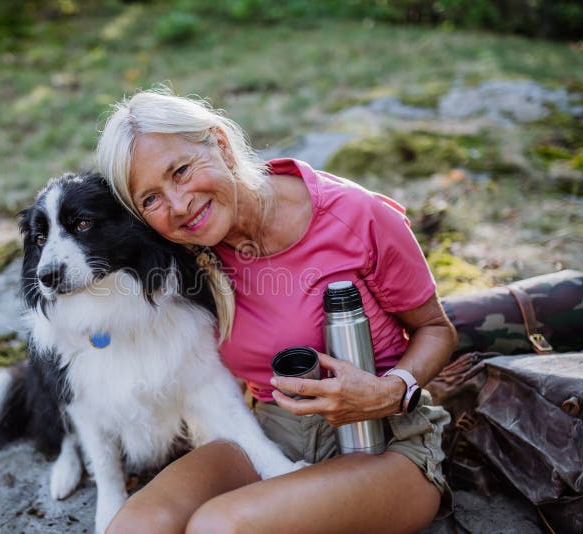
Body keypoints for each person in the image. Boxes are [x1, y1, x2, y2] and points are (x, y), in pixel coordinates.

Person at [96, 88, 457, 533]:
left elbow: (437, 329)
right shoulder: (185, 253)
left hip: (386, 438)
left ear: (222, 145)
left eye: (182, 170)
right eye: (149, 199)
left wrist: (388, 391)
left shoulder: (354, 215)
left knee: (219, 527)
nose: (178, 204)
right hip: (273, 434)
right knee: (134, 527)